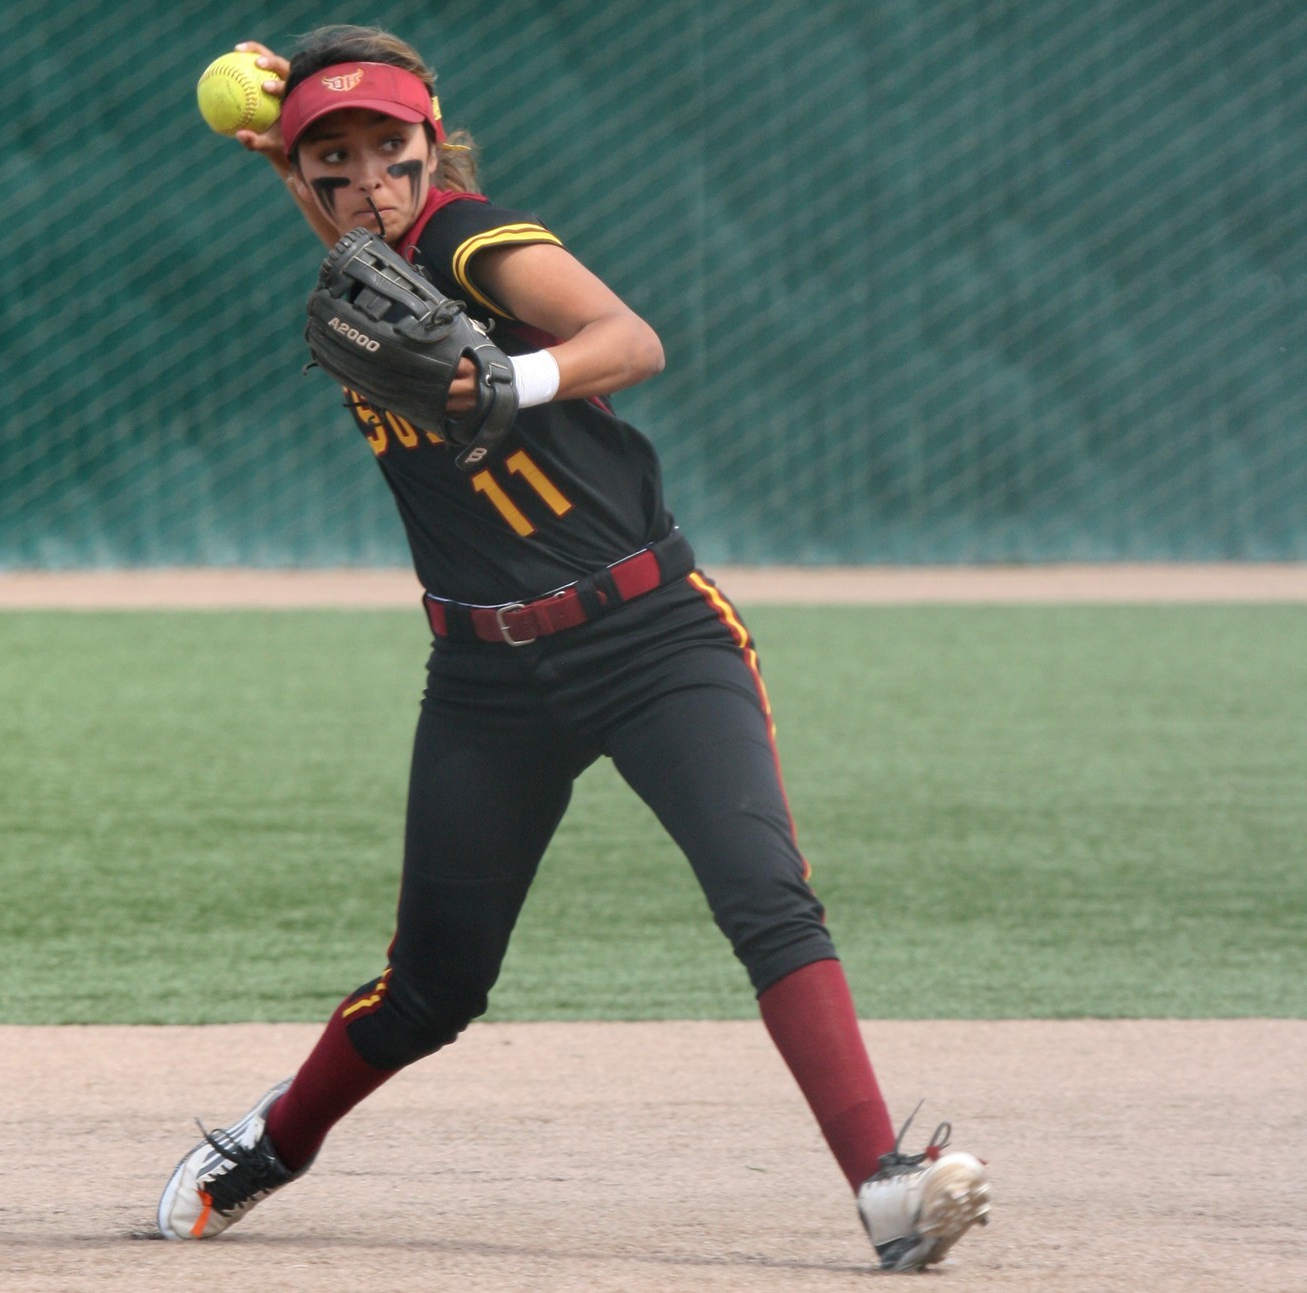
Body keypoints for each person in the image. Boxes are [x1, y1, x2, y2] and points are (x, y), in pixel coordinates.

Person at [157, 24, 991, 1272]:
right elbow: (339, 216)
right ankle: (272, 1142)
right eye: (335, 160)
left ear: (434, 144)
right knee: (434, 989)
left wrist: (514, 381)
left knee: (766, 901)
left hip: (652, 637)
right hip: (488, 682)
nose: (370, 179)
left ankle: (884, 1183)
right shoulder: (357, 254)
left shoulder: (469, 236)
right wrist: (276, 137)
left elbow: (628, 339)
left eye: (393, 146)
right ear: (300, 175)